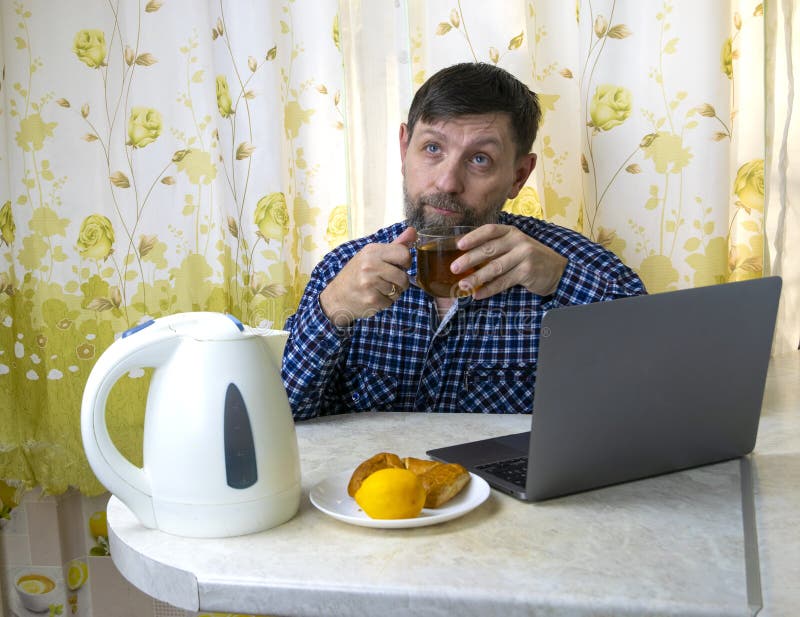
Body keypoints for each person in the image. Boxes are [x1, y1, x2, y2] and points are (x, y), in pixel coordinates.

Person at [282, 62, 645, 420]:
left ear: (518, 176)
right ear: (404, 149)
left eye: (480, 159)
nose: (447, 183)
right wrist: (331, 309)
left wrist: (562, 282)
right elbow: (279, 417)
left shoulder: (575, 264)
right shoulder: (341, 271)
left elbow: (655, 391)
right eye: (432, 149)